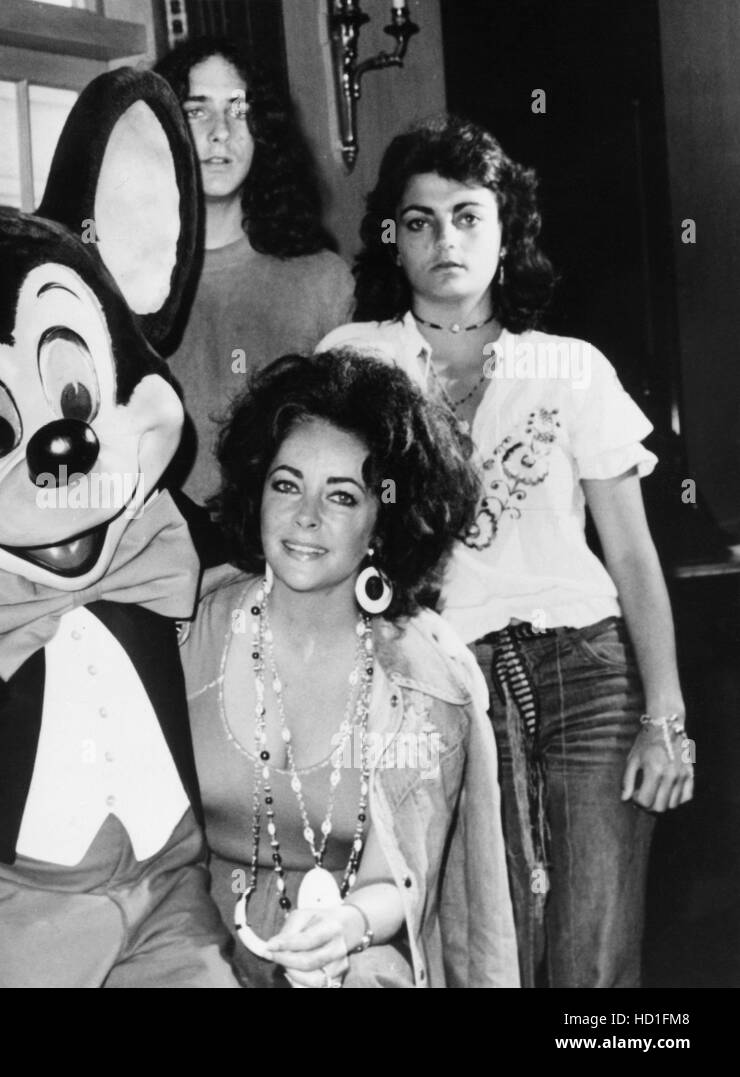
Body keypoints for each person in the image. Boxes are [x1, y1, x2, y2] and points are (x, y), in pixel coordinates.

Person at [318, 117, 694, 987]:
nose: (445, 238)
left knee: (596, 960)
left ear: (505, 231)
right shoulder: (355, 361)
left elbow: (633, 558)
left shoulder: (571, 368)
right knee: (485, 951)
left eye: (468, 215)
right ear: (394, 240)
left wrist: (665, 720)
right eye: (420, 221)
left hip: (589, 674)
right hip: (439, 680)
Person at [182, 349, 519, 988]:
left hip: (344, 958)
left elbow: (403, 878)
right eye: (286, 485)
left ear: (381, 524)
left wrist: (347, 926)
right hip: (180, 947)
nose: (306, 516)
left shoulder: (426, 682)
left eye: (341, 496)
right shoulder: (185, 629)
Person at [154, 37, 354, 512]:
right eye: (196, 110)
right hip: (149, 566)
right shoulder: (115, 285)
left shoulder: (323, 280)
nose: (221, 131)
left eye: (239, 109)